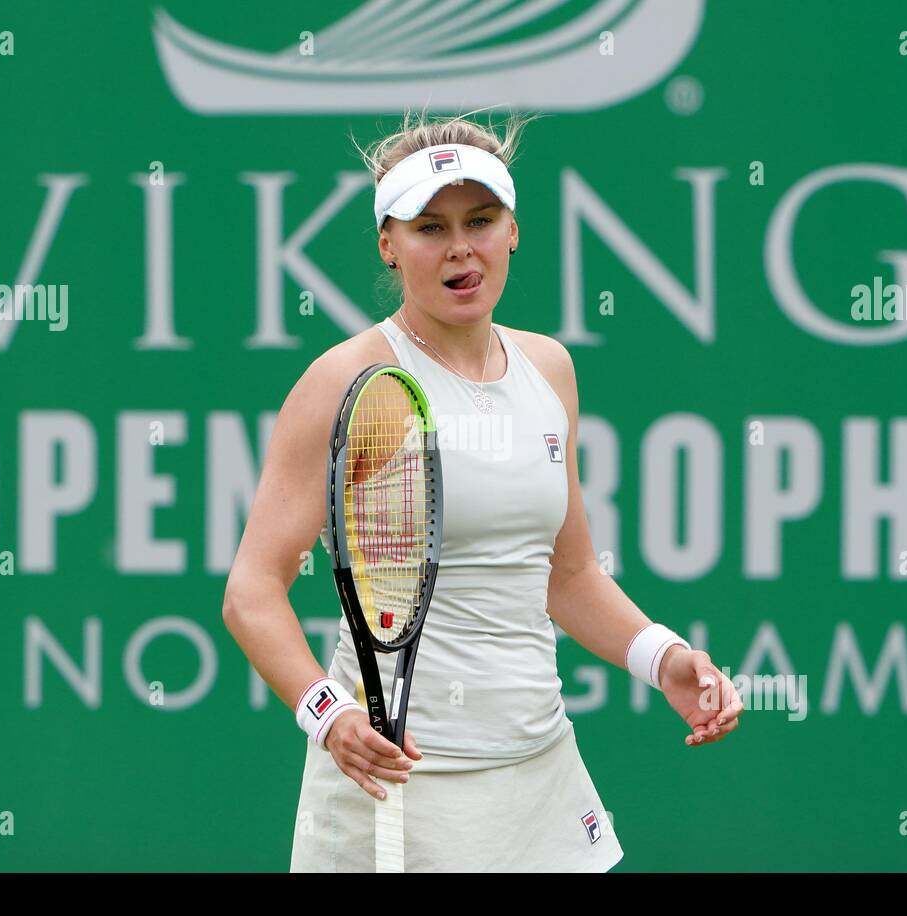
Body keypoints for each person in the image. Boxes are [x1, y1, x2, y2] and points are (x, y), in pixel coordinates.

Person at [221, 109, 743, 872]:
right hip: (395, 791)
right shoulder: (346, 380)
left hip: (541, 778)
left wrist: (663, 659)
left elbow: (567, 576)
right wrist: (329, 717)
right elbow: (251, 591)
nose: (461, 246)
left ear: (514, 230)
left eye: (482, 219)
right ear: (388, 247)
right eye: (429, 227)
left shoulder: (549, 370)